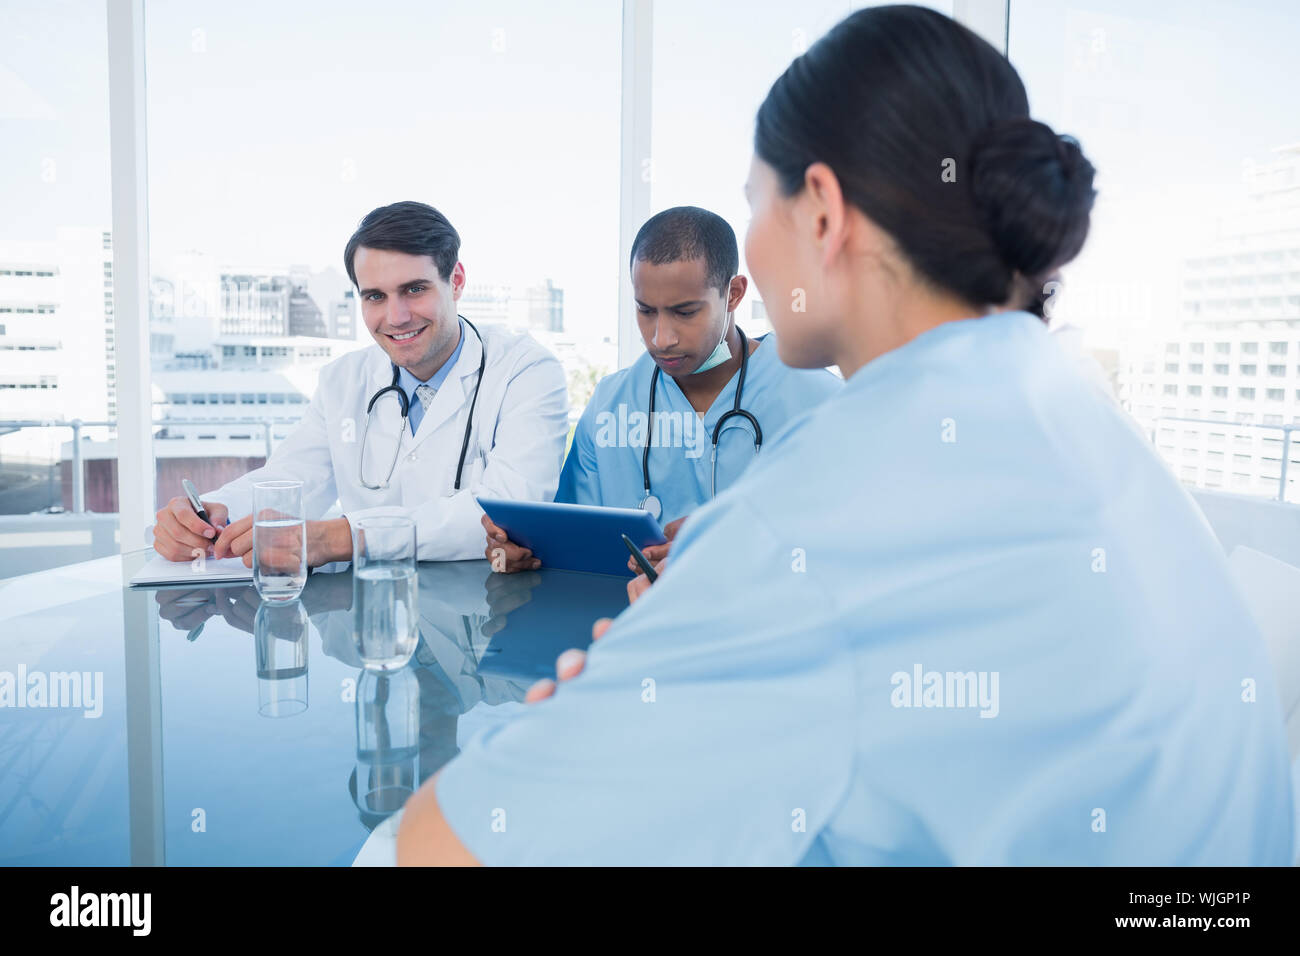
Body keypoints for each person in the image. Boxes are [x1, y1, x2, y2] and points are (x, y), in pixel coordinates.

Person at [397, 6, 1294, 864]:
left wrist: (587, 728)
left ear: (820, 211)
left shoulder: (821, 512)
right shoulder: (1085, 420)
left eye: (756, 202)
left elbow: (443, 848)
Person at [149, 201, 569, 566]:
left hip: (482, 617)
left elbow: (512, 510)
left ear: (456, 280)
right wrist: (215, 514)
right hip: (370, 615)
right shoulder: (343, 381)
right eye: (375, 297)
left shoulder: (525, 370)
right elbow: (293, 477)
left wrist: (340, 538)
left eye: (415, 289)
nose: (397, 316)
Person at [482, 206, 841, 574]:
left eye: (685, 312)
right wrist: (524, 552)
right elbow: (570, 544)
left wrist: (744, 543)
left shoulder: (822, 402)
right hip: (630, 620)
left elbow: (863, 548)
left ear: (733, 294)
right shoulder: (611, 404)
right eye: (646, 311)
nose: (660, 338)